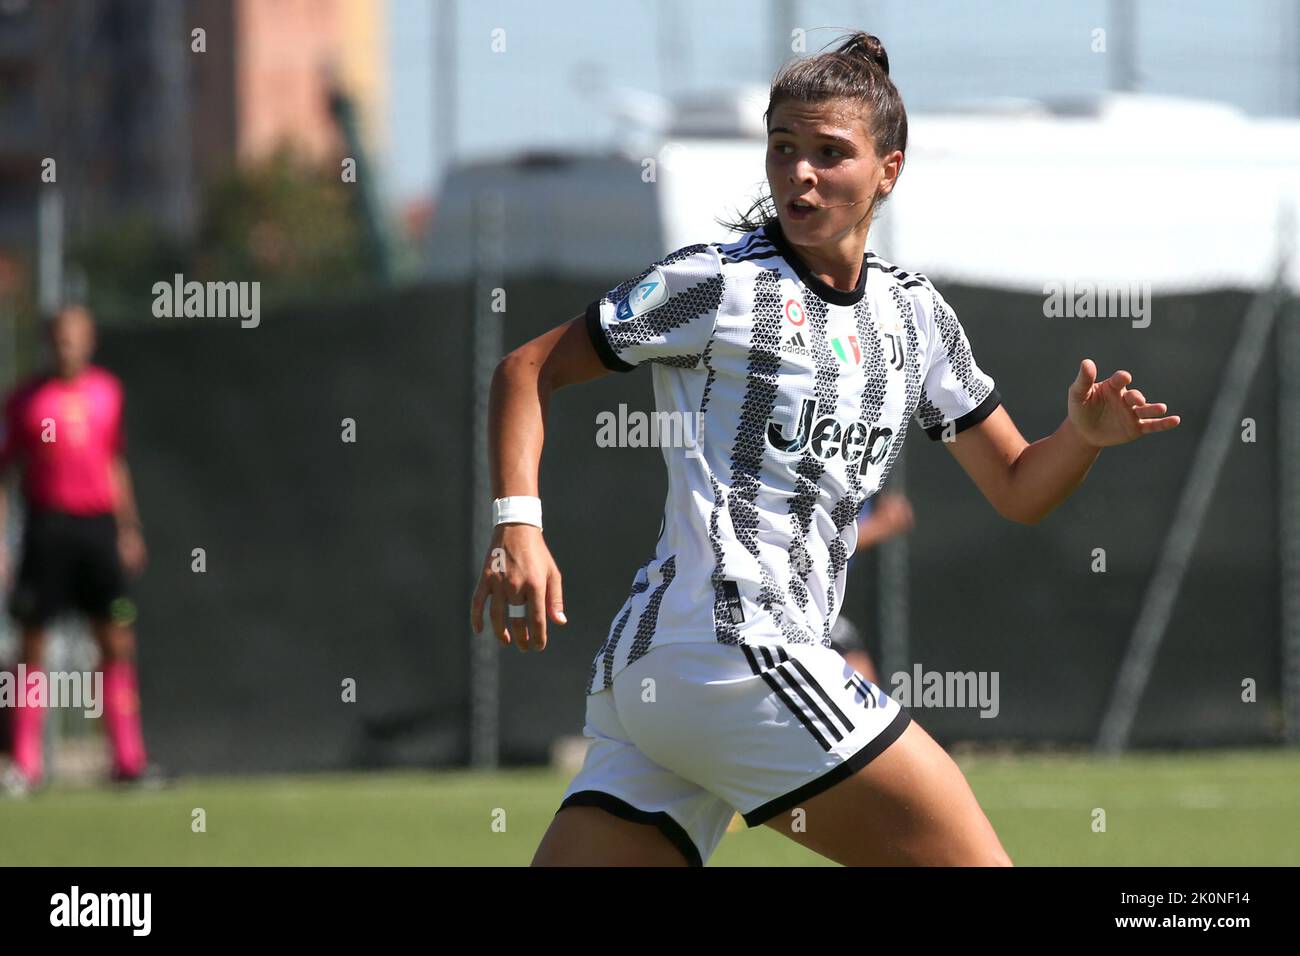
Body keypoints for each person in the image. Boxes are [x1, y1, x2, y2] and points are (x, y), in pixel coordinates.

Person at [470, 31, 1179, 867]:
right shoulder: (719, 284)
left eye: (829, 153)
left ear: (890, 168)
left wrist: (1083, 439)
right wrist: (519, 525)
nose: (799, 173)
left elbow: (1020, 487)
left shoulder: (916, 317)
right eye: (783, 149)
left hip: (665, 688)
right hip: (733, 650)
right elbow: (526, 371)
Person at [0, 305, 152, 794]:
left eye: (76, 337)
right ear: (48, 341)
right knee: (32, 644)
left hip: (98, 532)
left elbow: (114, 463)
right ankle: (24, 765)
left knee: (117, 638)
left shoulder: (108, 393)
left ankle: (128, 760)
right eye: (59, 338)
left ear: (89, 341)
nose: (67, 346)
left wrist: (128, 528)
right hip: (47, 531)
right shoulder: (25, 400)